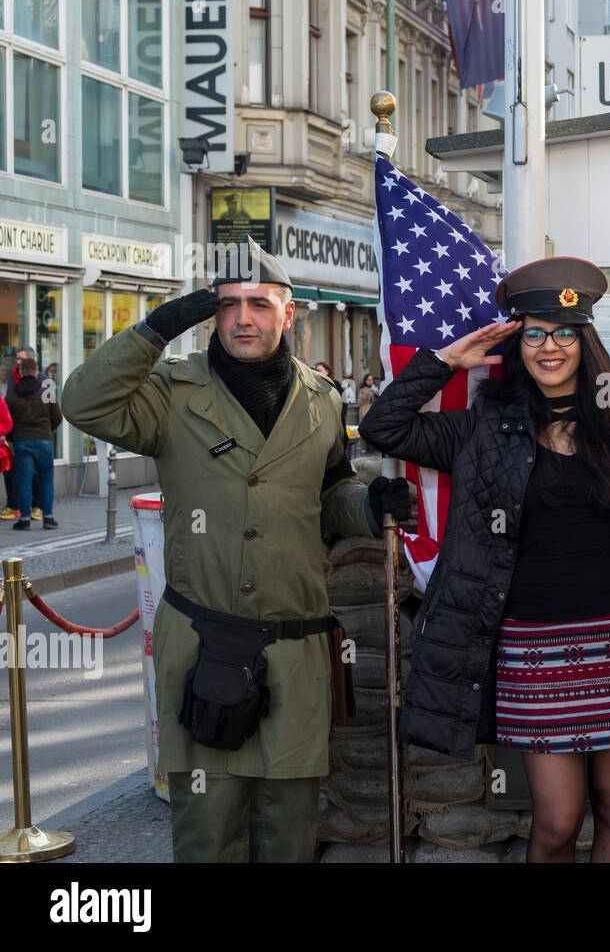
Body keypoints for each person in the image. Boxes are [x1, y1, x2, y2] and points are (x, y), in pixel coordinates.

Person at [360, 256, 610, 863]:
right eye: (532, 333)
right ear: (516, 341)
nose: (547, 347)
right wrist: (447, 361)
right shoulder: (484, 429)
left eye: (562, 332)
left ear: (585, 340)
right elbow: (383, 427)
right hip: (531, 653)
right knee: (557, 822)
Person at [61, 235, 410, 863]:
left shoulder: (322, 399)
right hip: (205, 644)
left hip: (296, 650)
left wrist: (371, 506)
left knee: (289, 835)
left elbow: (329, 494)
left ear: (289, 311)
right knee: (209, 833)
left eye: (258, 303)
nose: (242, 318)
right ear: (210, 314)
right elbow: (82, 402)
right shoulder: (171, 392)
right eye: (226, 305)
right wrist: (155, 329)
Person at [6, 357, 60, 529]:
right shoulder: (47, 387)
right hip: (44, 440)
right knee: (46, 479)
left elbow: (7, 419)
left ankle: (24, 520)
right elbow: (57, 416)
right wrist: (47, 430)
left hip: (22, 441)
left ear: (21, 372)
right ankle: (49, 518)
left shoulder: (13, 391)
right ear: (37, 371)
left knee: (24, 480)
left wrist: (13, 437)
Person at [2, 347, 40, 521]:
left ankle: (36, 506)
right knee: (11, 471)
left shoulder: (43, 380)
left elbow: (53, 411)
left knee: (33, 472)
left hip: (36, 434)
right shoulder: (11, 378)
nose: (18, 362)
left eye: (22, 359)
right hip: (13, 433)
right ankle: (14, 505)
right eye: (17, 358)